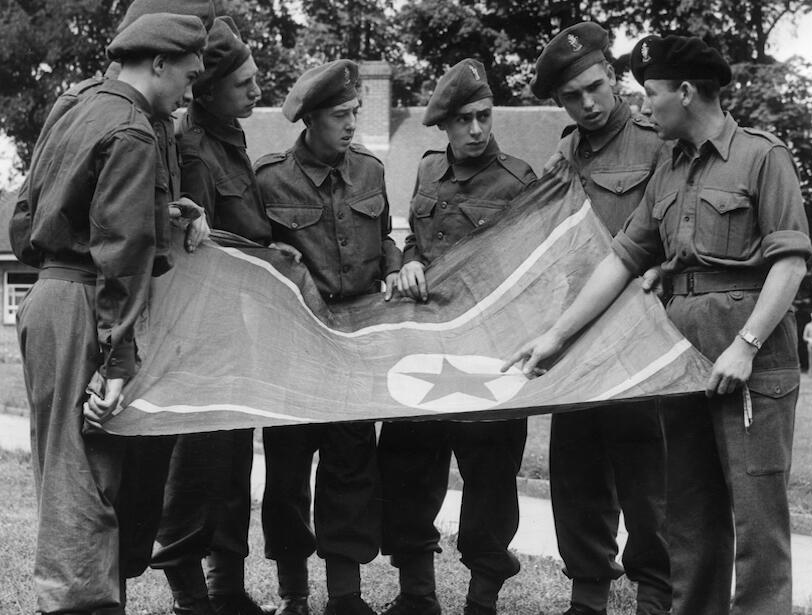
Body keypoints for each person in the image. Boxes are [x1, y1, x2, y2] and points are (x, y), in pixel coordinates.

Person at [504, 34, 811, 615]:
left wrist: (746, 346)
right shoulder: (669, 168)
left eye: (651, 94)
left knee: (756, 521)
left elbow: (790, 262)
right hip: (681, 361)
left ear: (687, 92)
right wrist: (555, 336)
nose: (642, 107)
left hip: (750, 359)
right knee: (690, 519)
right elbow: (623, 258)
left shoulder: (762, 155)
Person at [12, 14, 207, 615]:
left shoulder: (71, 110)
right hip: (85, 303)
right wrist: (116, 360)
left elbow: (24, 225)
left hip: (47, 294)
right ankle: (78, 606)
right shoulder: (135, 132)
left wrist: (161, 212)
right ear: (158, 64)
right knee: (85, 479)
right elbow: (121, 258)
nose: (190, 92)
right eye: (188, 75)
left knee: (68, 471)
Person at [150, 16, 298, 615]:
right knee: (196, 466)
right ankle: (190, 593)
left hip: (240, 330)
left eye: (257, 79)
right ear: (206, 91)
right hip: (201, 332)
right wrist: (264, 255)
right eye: (245, 84)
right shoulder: (190, 144)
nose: (257, 91)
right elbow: (197, 246)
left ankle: (227, 589)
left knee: (234, 462)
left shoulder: (231, 140)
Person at [377, 58, 536, 615]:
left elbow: (531, 270)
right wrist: (410, 261)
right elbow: (415, 239)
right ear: (444, 125)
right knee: (407, 470)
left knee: (490, 482)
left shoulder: (520, 182)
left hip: (491, 357)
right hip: (426, 351)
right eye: (464, 119)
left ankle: (482, 600)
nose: (476, 129)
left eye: (484, 116)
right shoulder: (425, 172)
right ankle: (416, 595)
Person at [527, 22, 671, 615]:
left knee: (649, 482)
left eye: (593, 87)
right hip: (577, 338)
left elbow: (679, 224)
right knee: (577, 477)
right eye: (571, 96)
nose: (586, 104)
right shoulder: (562, 153)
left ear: (614, 77)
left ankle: (656, 598)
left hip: (643, 334)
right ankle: (587, 597)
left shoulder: (659, 141)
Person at [255, 59, 402, 615]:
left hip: (354, 342)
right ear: (310, 120)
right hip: (293, 348)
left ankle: (345, 595)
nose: (350, 126)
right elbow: (247, 251)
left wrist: (393, 265)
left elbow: (385, 236)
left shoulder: (371, 171)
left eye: (354, 114)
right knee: (288, 474)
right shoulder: (268, 177)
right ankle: (293, 596)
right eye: (340, 116)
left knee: (350, 466)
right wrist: (272, 255)